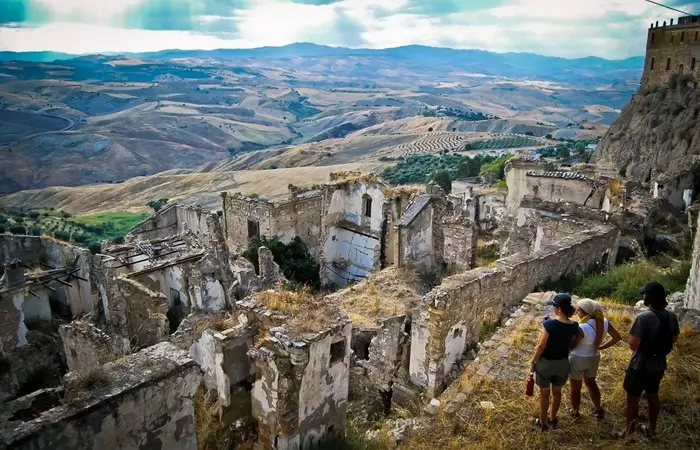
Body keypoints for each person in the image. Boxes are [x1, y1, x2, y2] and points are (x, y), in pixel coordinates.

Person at [623, 281, 680, 437]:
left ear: (648, 298)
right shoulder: (671, 316)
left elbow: (633, 345)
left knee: (632, 400)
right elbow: (674, 339)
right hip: (659, 364)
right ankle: (652, 428)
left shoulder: (643, 317)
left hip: (640, 365)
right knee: (653, 395)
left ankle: (629, 433)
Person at [528, 293, 584, 430]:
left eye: (554, 306)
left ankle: (542, 423)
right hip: (563, 364)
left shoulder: (549, 325)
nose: (553, 309)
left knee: (545, 394)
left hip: (546, 364)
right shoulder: (574, 326)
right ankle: (552, 417)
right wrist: (570, 346)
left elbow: (541, 347)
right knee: (557, 392)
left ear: (559, 309)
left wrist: (532, 362)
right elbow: (581, 335)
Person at [569, 299, 622, 420]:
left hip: (578, 359)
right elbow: (617, 337)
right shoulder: (604, 322)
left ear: (585, 312)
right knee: (591, 383)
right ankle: (598, 409)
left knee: (576, 389)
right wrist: (601, 347)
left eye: (578, 309)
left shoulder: (581, 327)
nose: (576, 311)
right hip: (594, 357)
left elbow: (573, 344)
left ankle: (575, 412)